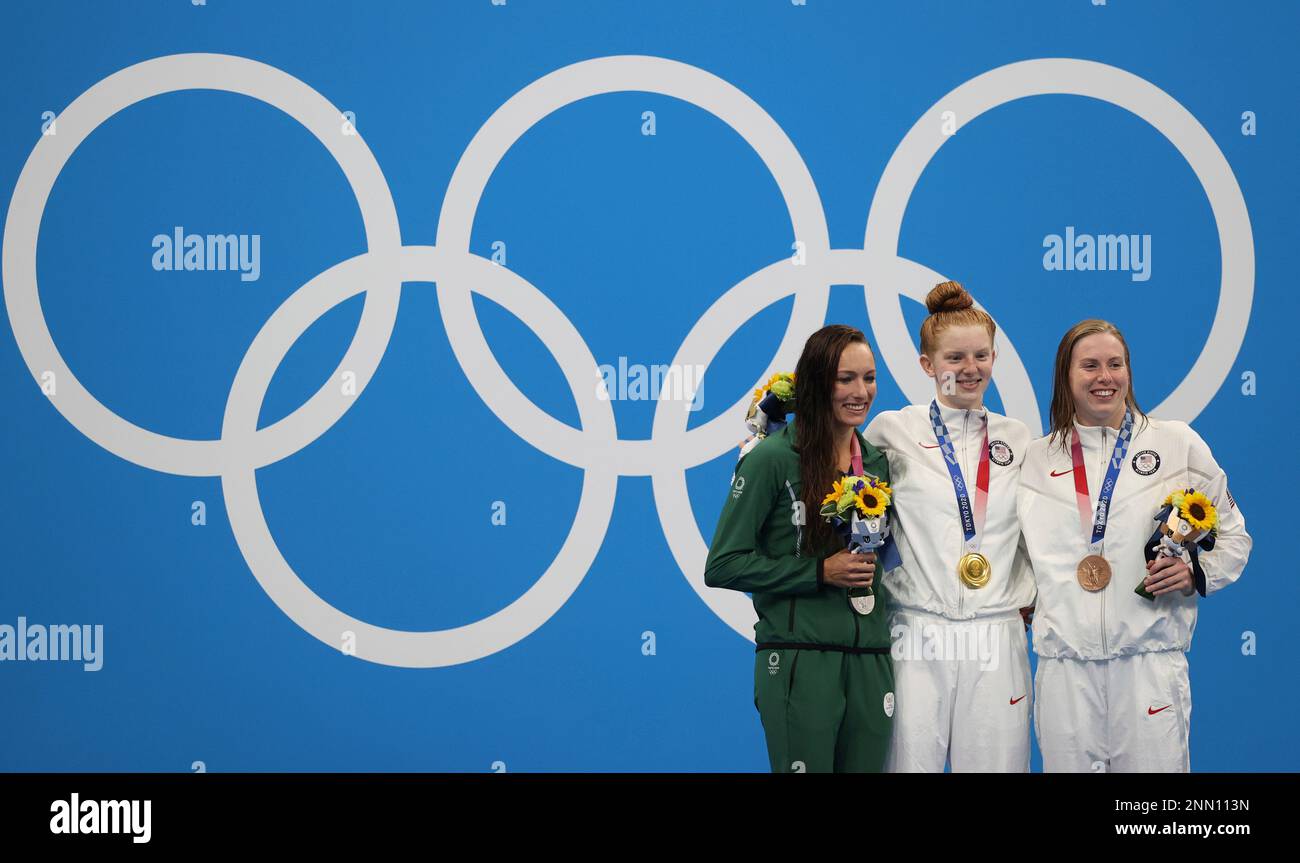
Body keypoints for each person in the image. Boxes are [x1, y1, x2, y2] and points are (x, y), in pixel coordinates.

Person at [1016, 320, 1251, 772]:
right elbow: (1016, 553)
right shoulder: (1035, 458)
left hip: (1149, 666)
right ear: (1066, 376)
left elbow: (1235, 536)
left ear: (1129, 372)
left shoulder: (1176, 443)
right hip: (1065, 670)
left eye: (1115, 364)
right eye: (1089, 366)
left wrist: (1197, 573)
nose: (1104, 377)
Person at [705, 324, 895, 773]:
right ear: (814, 382)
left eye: (868, 378)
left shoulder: (875, 461)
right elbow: (723, 565)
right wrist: (818, 573)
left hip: (871, 658)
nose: (861, 391)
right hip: (799, 657)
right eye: (844, 378)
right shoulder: (771, 458)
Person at [863, 281, 1036, 772]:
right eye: (955, 358)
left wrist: (1038, 594)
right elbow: (836, 488)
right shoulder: (892, 431)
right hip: (915, 629)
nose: (969, 368)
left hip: (996, 633)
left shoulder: (1018, 439)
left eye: (981, 355)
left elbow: (1051, 529)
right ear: (928, 365)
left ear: (994, 358)